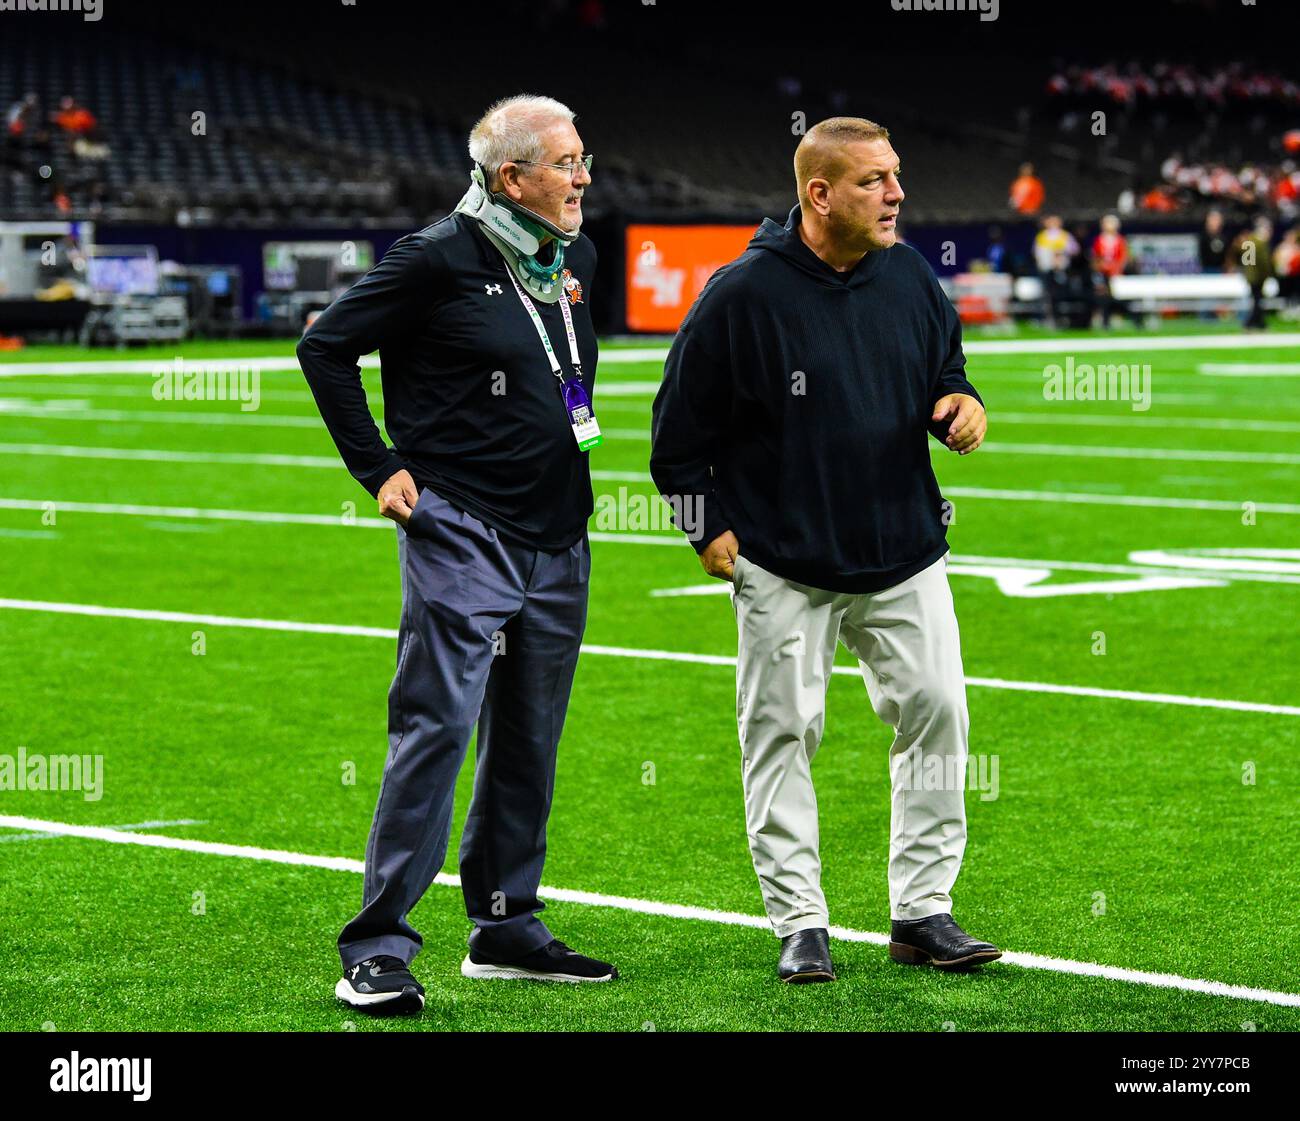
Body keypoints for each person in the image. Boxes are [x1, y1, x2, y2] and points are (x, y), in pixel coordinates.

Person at [650, 117, 1000, 984]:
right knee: (780, 735)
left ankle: (923, 911)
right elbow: (674, 437)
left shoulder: (911, 274)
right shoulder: (741, 293)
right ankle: (801, 923)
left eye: (896, 175)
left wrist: (962, 403)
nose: (897, 193)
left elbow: (945, 368)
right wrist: (708, 529)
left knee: (938, 716)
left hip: (905, 551)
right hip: (784, 562)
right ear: (820, 194)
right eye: (876, 180)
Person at [298, 93, 615, 1017]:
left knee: (529, 734)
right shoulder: (437, 255)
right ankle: (377, 944)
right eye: (566, 162)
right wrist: (378, 466)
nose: (583, 178)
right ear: (511, 177)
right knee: (435, 728)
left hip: (559, 530)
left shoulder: (572, 255)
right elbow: (327, 348)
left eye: (583, 157)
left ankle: (507, 927)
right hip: (463, 527)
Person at [1230, 216, 1274, 330]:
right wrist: (1268, 274)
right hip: (1258, 277)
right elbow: (1263, 262)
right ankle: (1251, 323)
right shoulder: (1260, 243)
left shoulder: (1249, 240)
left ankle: (1259, 323)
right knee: (1258, 300)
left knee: (1256, 300)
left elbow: (1245, 260)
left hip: (1251, 276)